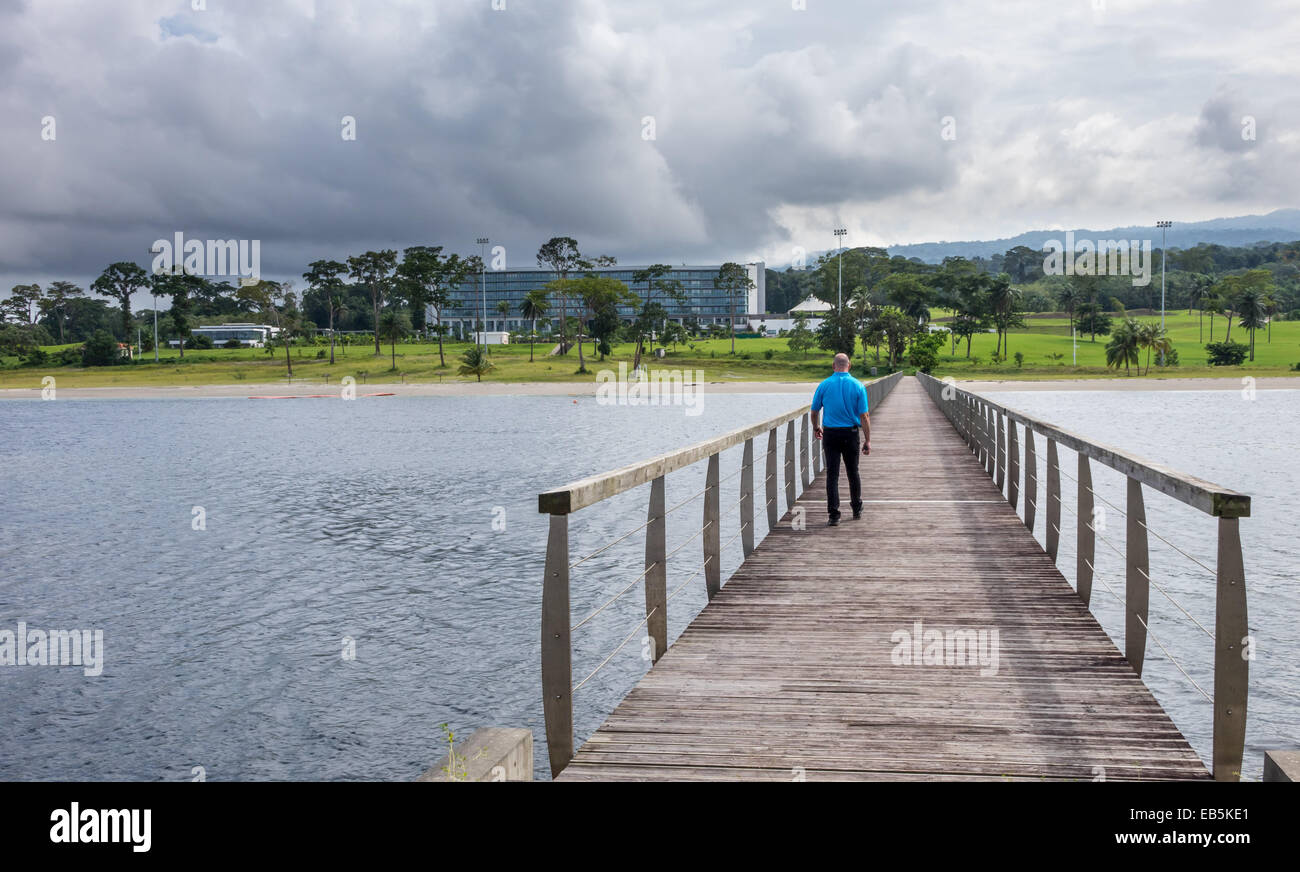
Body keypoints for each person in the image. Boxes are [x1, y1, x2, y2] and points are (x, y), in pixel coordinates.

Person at [810, 353, 870, 526]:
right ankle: (856, 508)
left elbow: (814, 412)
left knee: (832, 475)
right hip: (851, 434)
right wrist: (867, 440)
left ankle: (834, 515)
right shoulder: (858, 386)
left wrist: (816, 427)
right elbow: (864, 416)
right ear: (849, 365)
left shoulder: (824, 385)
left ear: (833, 366)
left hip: (830, 434)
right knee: (853, 472)